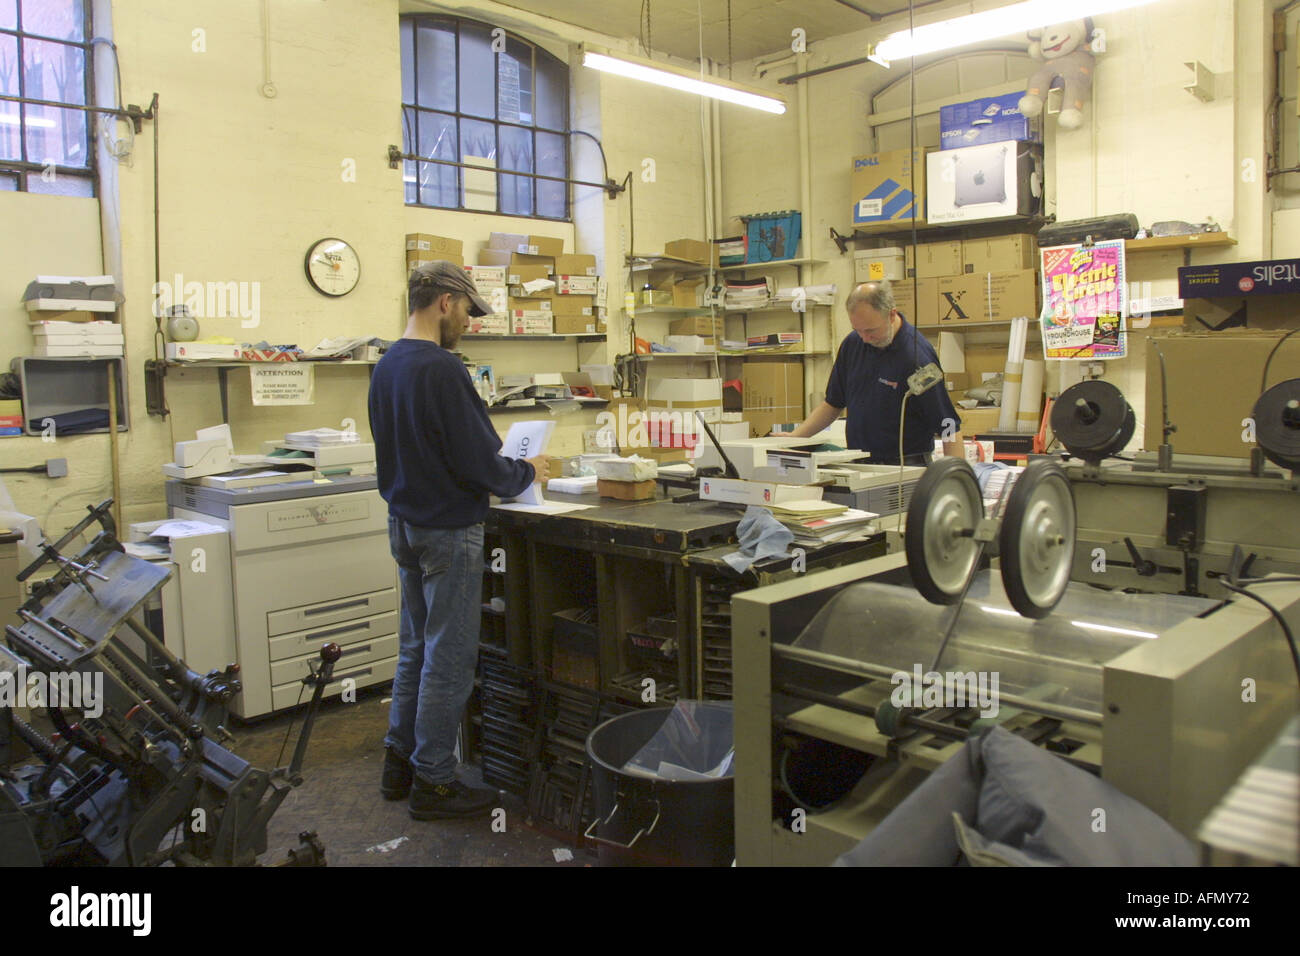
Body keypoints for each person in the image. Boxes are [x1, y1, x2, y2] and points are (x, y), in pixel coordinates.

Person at [368, 260, 549, 820]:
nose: (469, 322)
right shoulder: (441, 369)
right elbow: (479, 462)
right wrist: (527, 473)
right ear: (445, 301)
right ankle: (436, 783)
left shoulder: (387, 365)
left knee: (415, 649)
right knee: (449, 658)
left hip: (404, 523)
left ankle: (399, 764)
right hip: (447, 530)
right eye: (469, 310)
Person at [784, 281, 964, 463]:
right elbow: (832, 404)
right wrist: (794, 439)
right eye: (858, 330)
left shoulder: (918, 359)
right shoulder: (853, 344)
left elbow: (947, 424)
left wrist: (956, 479)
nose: (865, 338)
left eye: (871, 330)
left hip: (905, 466)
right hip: (860, 461)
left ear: (891, 315)